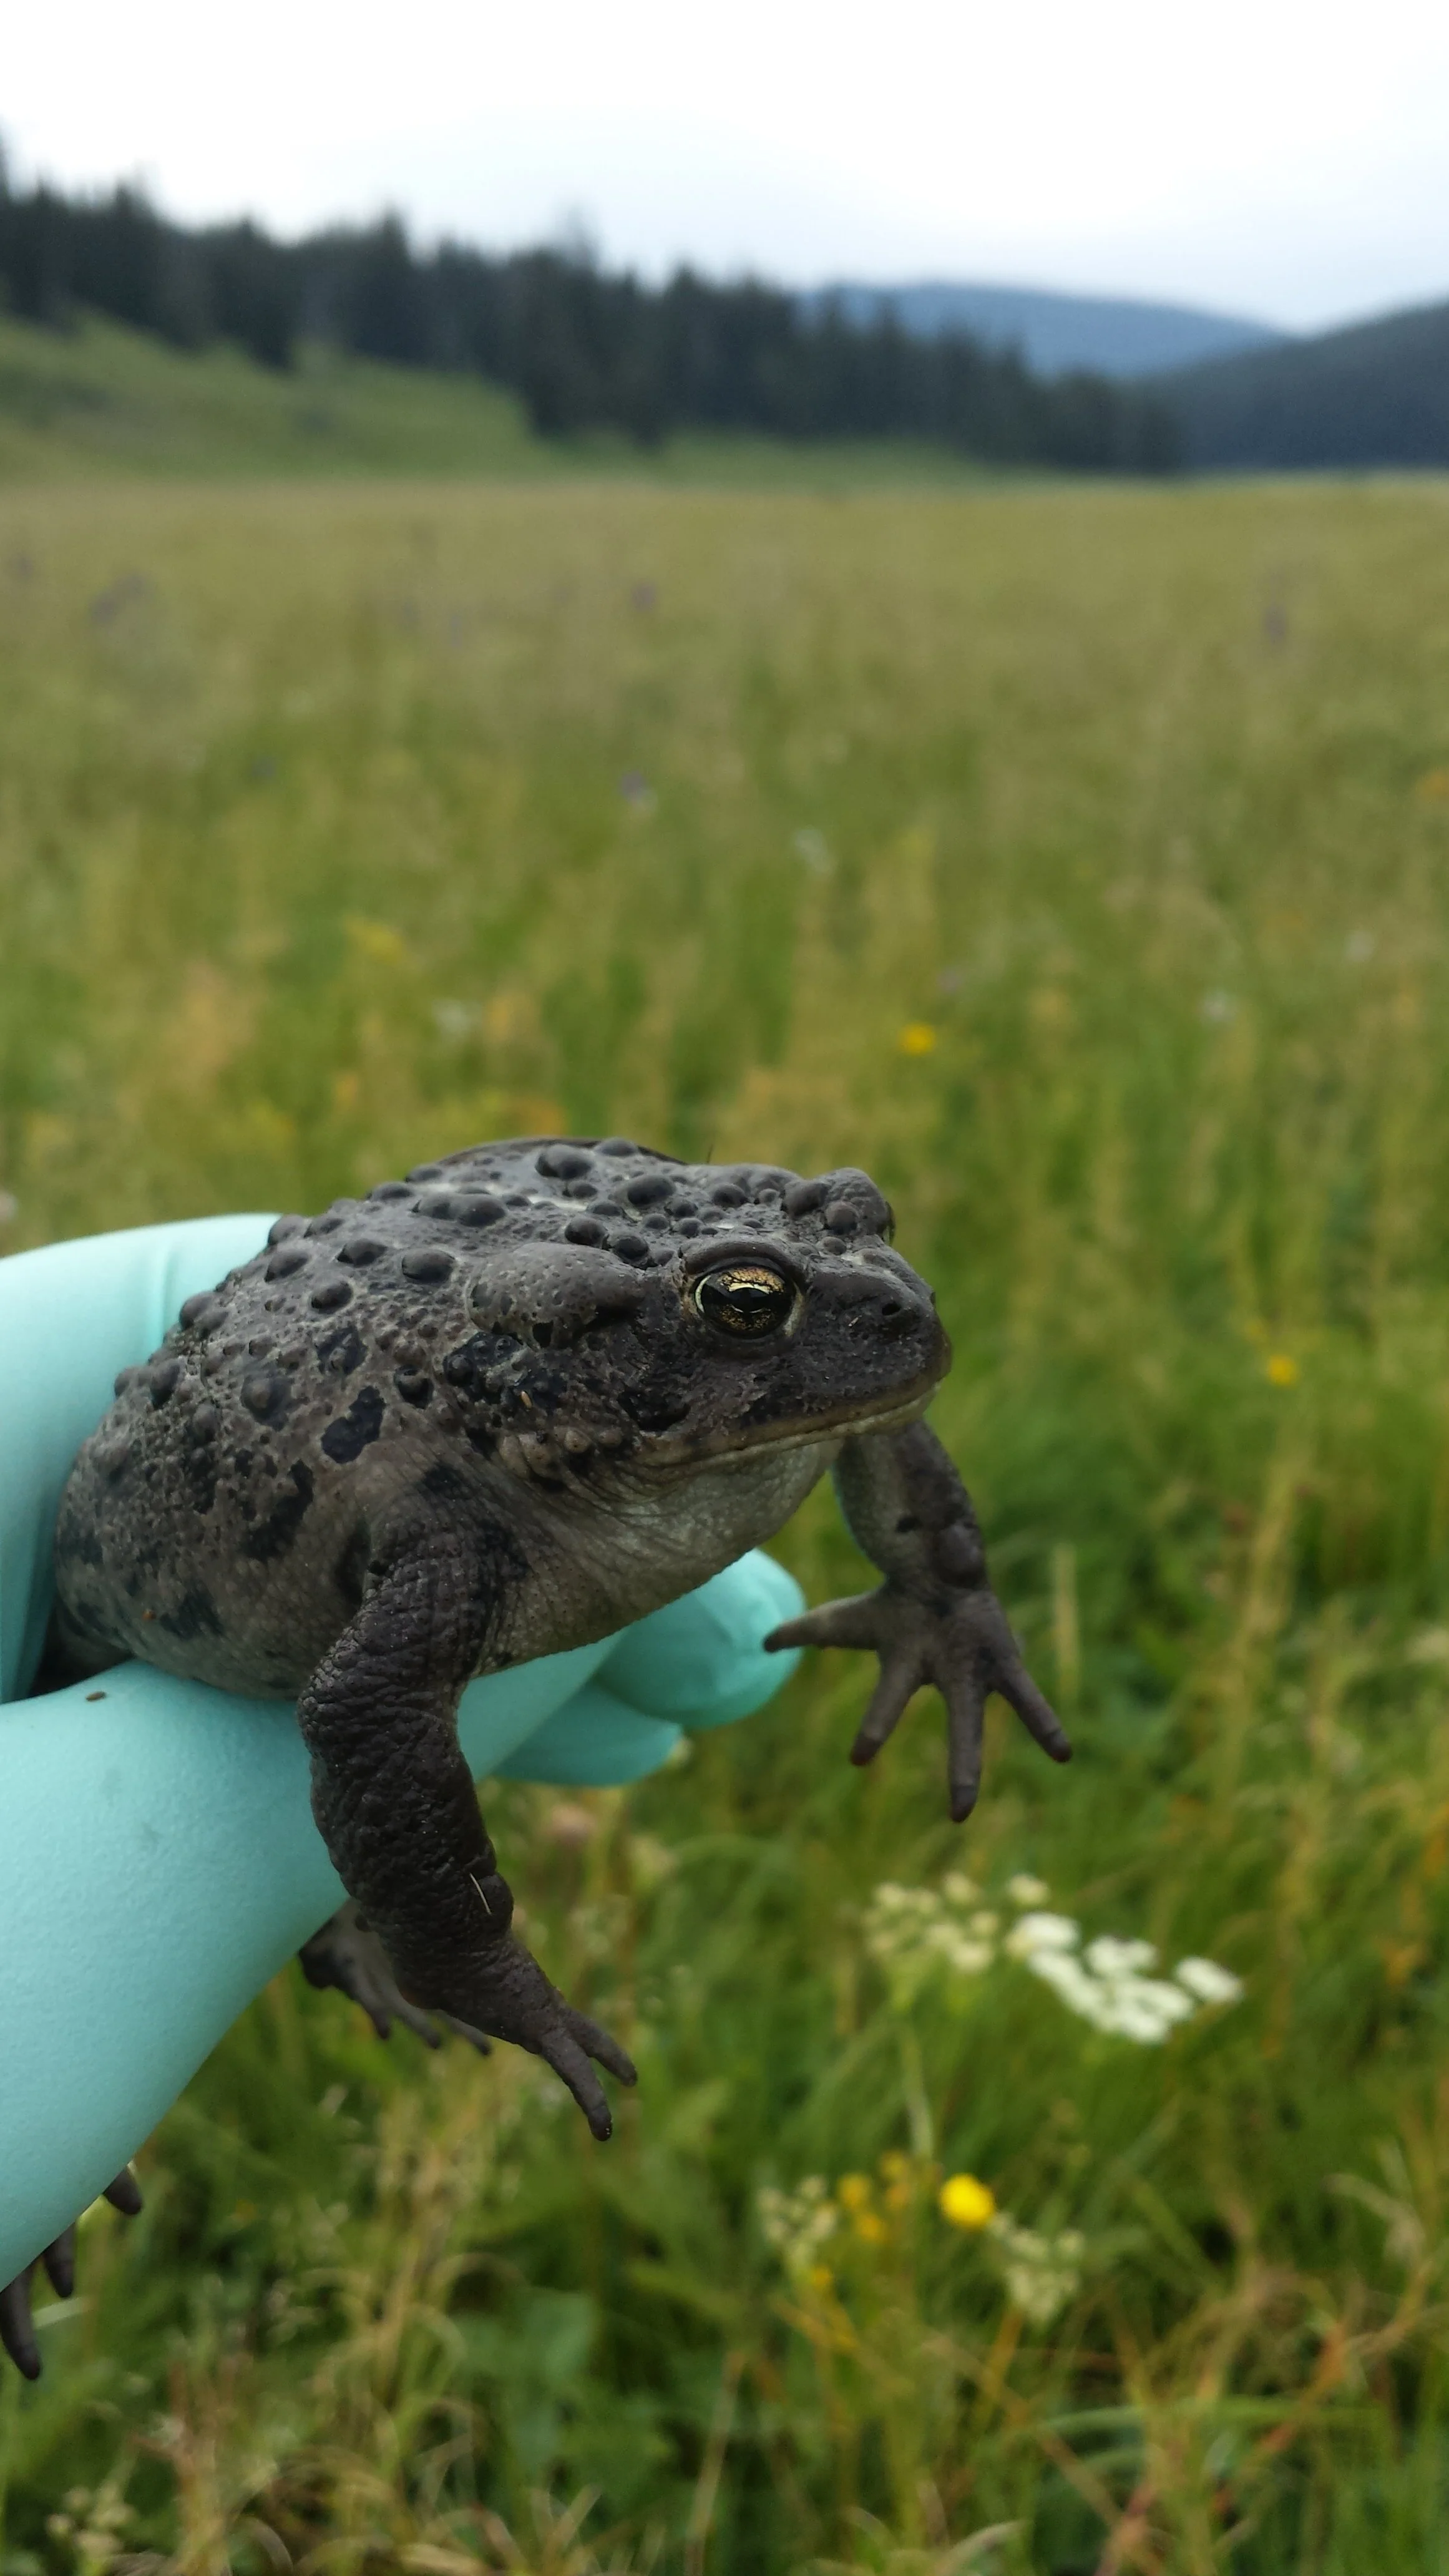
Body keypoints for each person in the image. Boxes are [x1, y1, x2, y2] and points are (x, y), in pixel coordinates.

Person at [0, 1216, 801, 2376]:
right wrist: (465, 1950)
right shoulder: (470, 1488)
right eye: (744, 1307)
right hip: (142, 1569)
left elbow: (867, 1385)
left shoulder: (615, 1394)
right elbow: (365, 1709)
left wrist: (947, 1589)